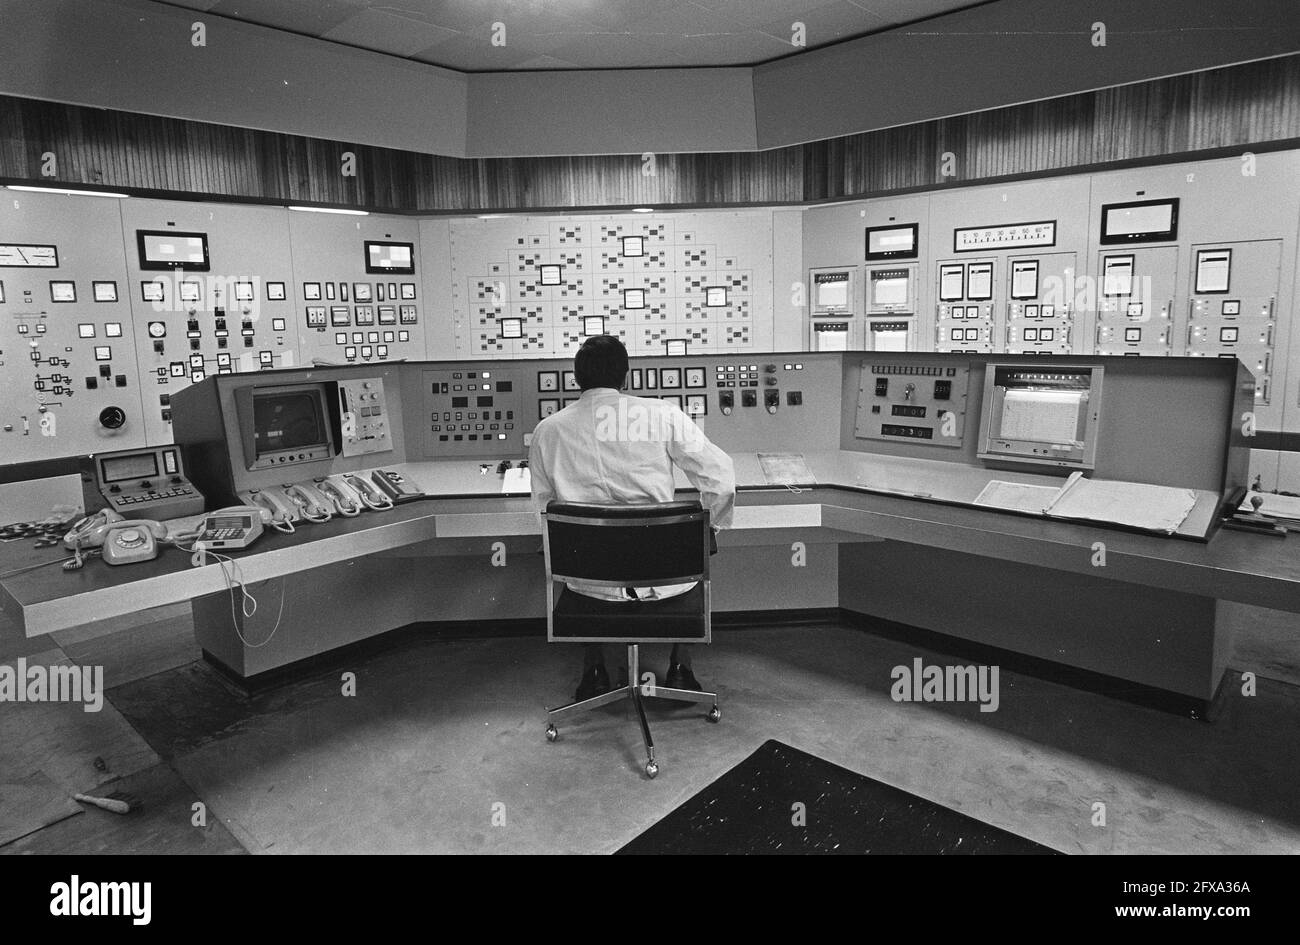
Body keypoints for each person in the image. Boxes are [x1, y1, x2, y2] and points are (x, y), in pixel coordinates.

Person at [530, 336, 736, 701]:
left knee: (582, 572)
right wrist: (708, 530)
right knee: (694, 553)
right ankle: (681, 668)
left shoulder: (548, 431)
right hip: (666, 578)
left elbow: (544, 515)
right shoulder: (663, 415)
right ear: (625, 376)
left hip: (589, 584)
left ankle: (594, 671)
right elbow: (721, 482)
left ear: (577, 378)